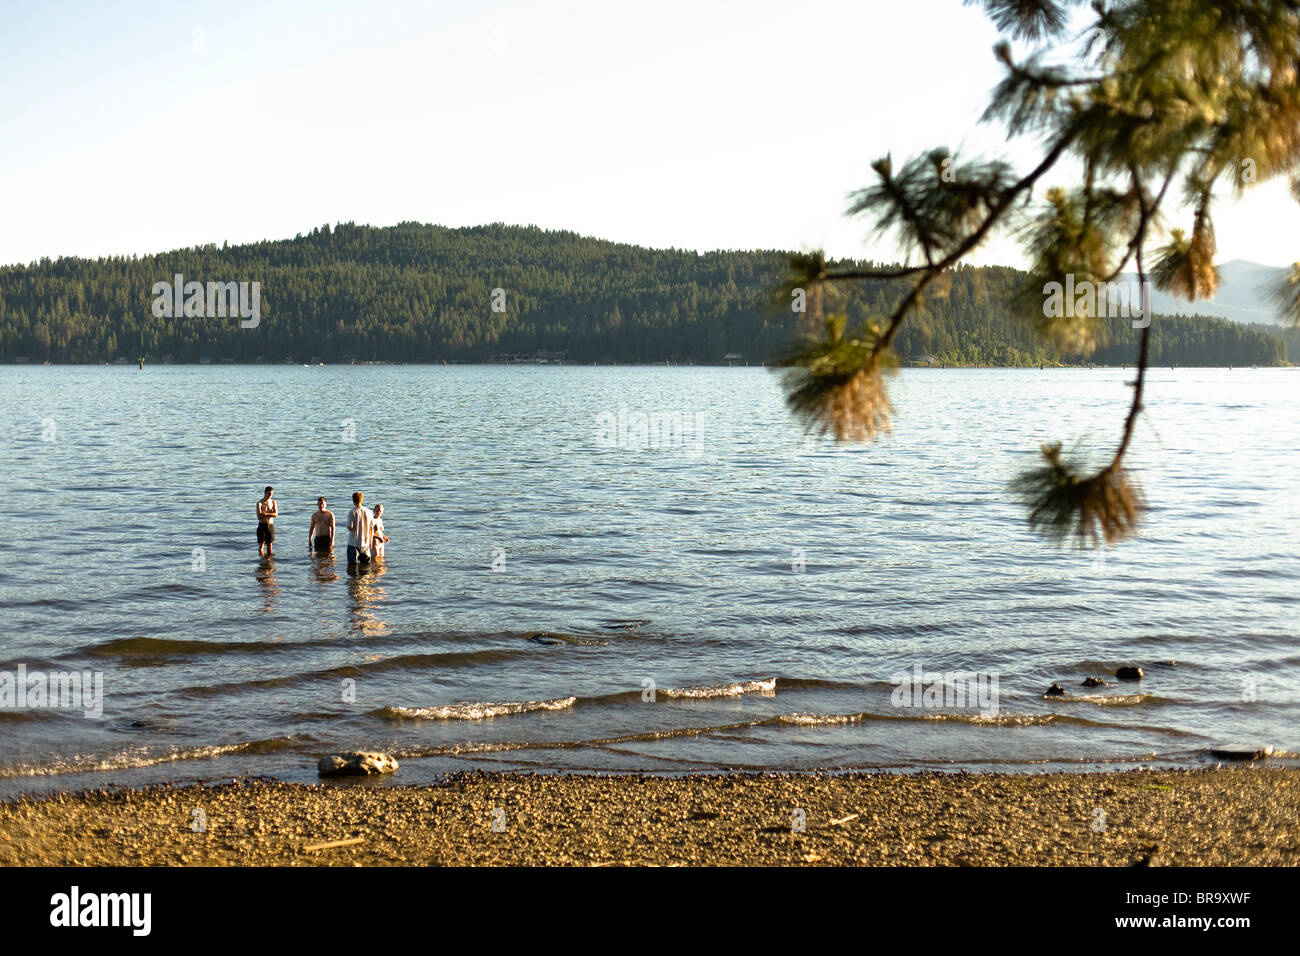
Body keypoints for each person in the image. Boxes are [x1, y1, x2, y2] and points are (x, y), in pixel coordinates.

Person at [346, 491, 373, 568]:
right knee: (366, 568)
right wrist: (370, 542)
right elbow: (371, 528)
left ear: (353, 500)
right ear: (362, 500)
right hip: (366, 543)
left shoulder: (352, 512)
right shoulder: (369, 512)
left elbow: (350, 528)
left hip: (353, 543)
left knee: (352, 568)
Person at [256, 486, 277, 556]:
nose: (270, 495)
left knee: (270, 545)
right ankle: (262, 561)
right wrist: (270, 514)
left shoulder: (273, 502)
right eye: (268, 494)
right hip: (262, 525)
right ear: (265, 493)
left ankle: (269, 561)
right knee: (261, 546)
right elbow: (259, 517)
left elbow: (276, 514)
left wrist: (265, 514)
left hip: (270, 525)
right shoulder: (259, 503)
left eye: (271, 494)